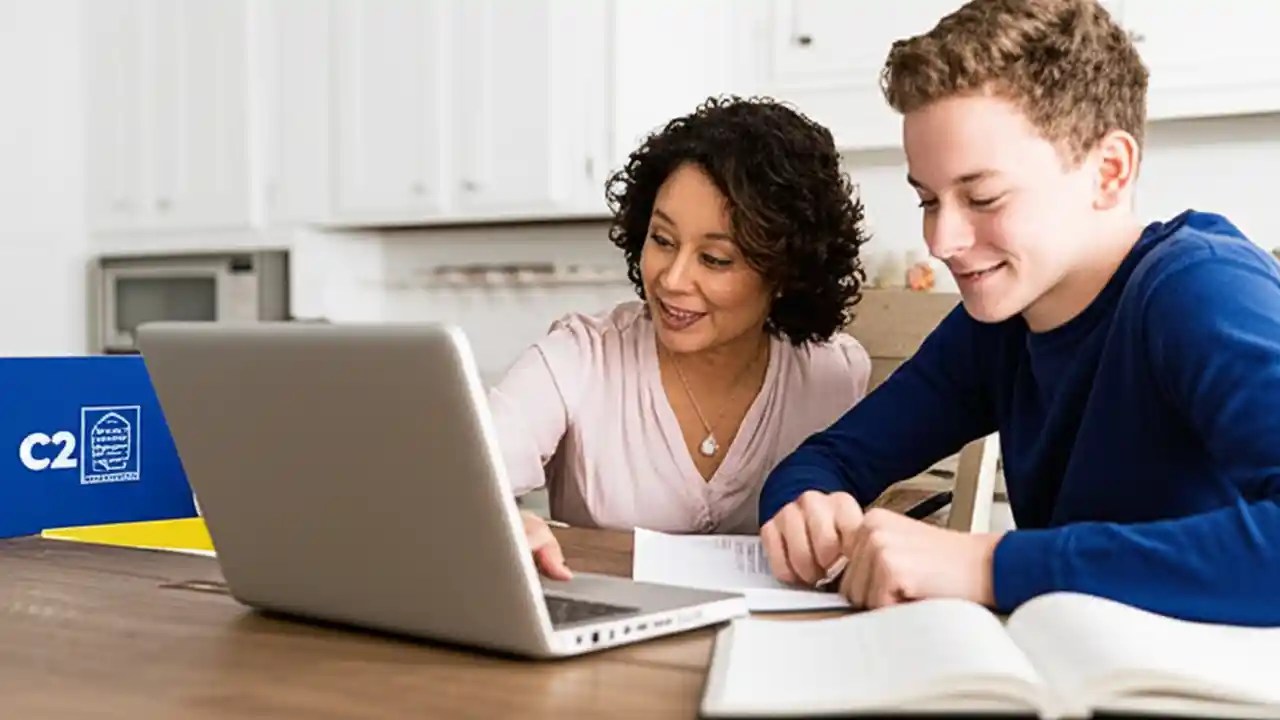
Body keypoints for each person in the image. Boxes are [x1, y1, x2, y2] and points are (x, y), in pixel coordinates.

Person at [759, 0, 1280, 626]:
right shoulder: (999, 324)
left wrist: (988, 565)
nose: (941, 241)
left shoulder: (1200, 289)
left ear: (1108, 172)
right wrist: (807, 508)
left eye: (983, 197)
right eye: (928, 201)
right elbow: (829, 461)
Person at [488, 96, 872, 579]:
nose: (671, 279)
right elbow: (456, 475)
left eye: (715, 259)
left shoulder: (834, 375)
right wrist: (503, 522)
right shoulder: (579, 357)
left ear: (784, 273)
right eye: (663, 241)